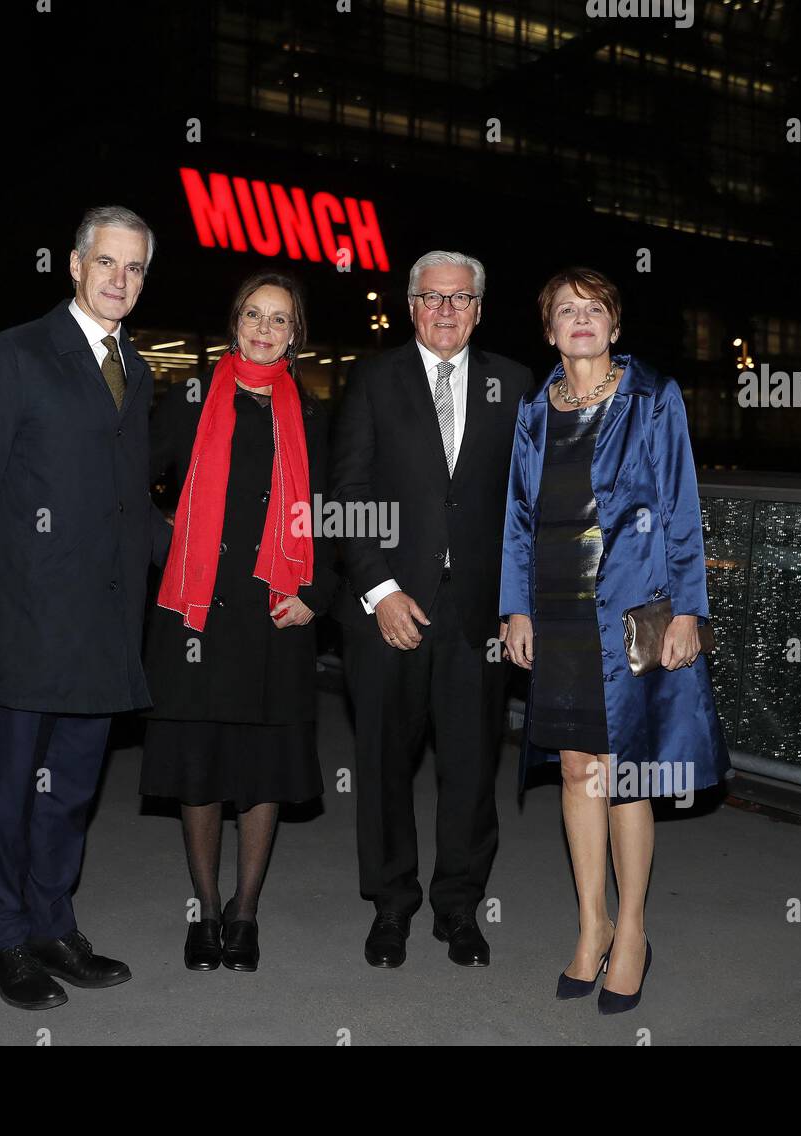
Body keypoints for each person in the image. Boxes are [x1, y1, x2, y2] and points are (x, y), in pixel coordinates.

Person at [0, 205, 171, 1011]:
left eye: (135, 268)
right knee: (13, 788)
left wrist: (202, 559)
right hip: (27, 620)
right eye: (107, 263)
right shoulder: (16, 354)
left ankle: (53, 924)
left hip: (107, 623)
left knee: (72, 787)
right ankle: (4, 941)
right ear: (73, 266)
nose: (120, 280)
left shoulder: (136, 368)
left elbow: (129, 504)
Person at [500, 266, 731, 1013]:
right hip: (558, 610)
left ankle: (631, 932)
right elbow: (517, 520)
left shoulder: (652, 398)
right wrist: (516, 610)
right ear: (549, 331)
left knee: (626, 769)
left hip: (635, 608)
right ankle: (591, 925)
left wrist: (688, 611)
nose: (581, 319)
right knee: (576, 771)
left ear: (615, 326)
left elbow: (680, 504)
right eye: (565, 310)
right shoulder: (536, 409)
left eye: (594, 308)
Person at [330, 250, 531, 969]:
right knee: (384, 762)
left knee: (473, 767)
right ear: (411, 305)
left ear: (479, 308)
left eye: (460, 299)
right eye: (432, 298)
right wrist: (380, 591)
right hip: (390, 609)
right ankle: (391, 908)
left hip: (480, 617)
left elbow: (526, 507)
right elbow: (347, 495)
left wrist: (518, 606)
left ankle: (459, 911)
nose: (445, 311)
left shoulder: (516, 384)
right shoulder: (373, 379)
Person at [142, 271, 338, 973]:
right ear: (234, 323)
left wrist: (319, 591)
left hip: (275, 614)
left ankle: (245, 912)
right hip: (196, 615)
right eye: (252, 314)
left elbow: (334, 515)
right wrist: (169, 546)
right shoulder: (192, 396)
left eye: (279, 319)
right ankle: (205, 907)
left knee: (261, 770)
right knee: (200, 768)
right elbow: (131, 473)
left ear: (295, 335)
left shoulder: (312, 415)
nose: (263, 328)